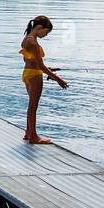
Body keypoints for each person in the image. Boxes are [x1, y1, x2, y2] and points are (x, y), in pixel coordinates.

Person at [20, 16, 67, 144]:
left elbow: (29, 60)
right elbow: (40, 66)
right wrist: (58, 79)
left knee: (31, 105)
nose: (45, 35)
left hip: (27, 73)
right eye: (46, 32)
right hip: (35, 75)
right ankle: (34, 137)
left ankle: (28, 133)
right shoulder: (33, 42)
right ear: (40, 28)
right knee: (33, 106)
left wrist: (48, 70)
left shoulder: (27, 38)